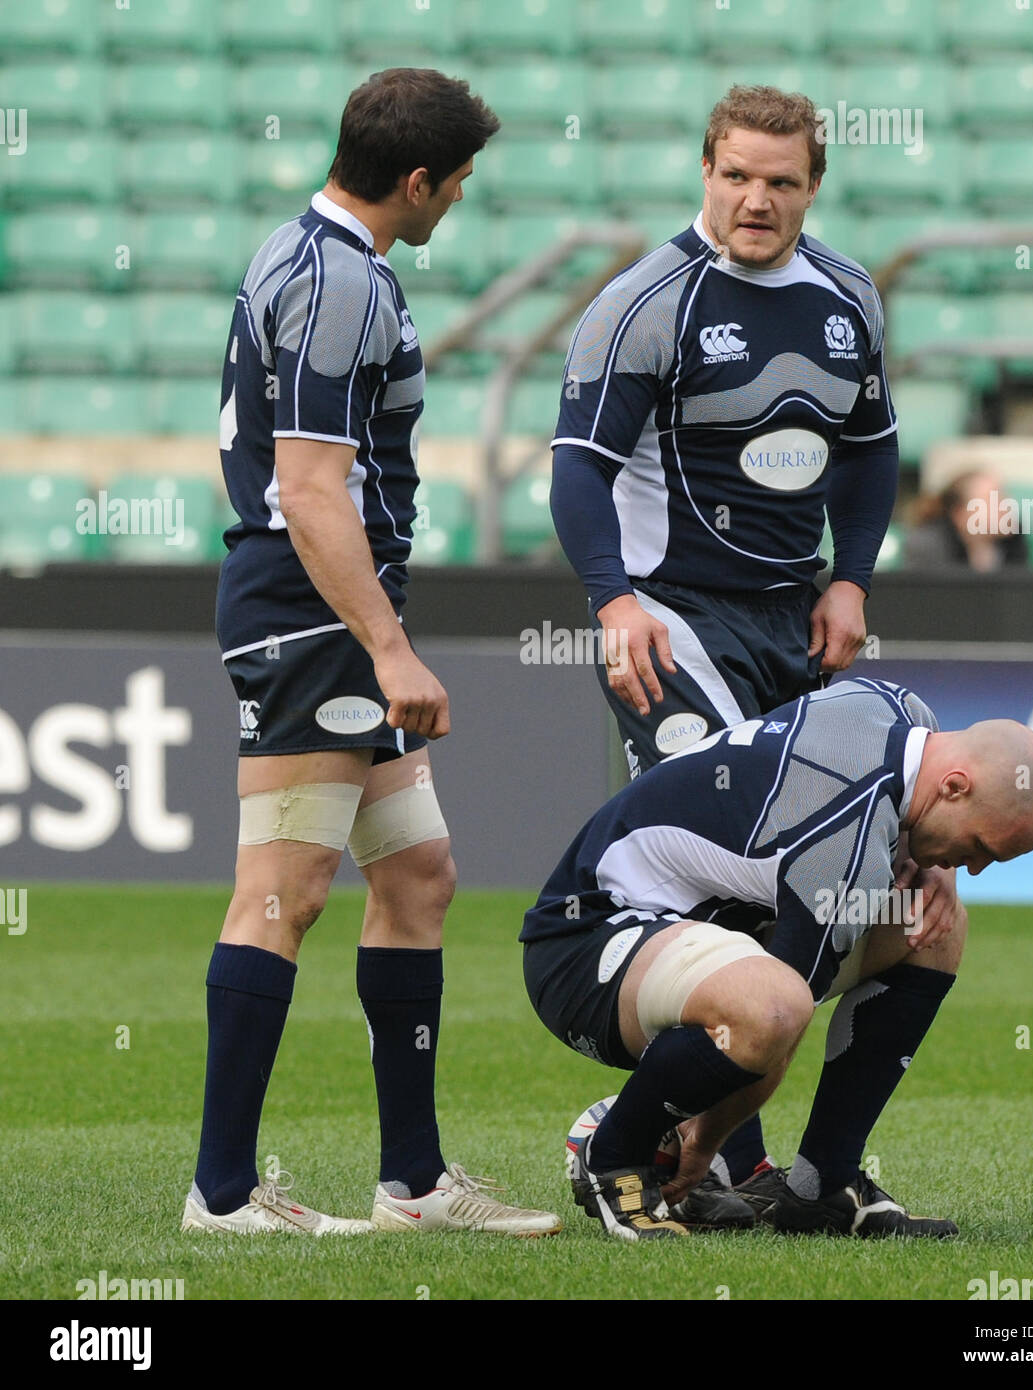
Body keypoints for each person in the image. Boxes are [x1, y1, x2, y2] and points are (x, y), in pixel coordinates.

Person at [183, 69, 559, 1237]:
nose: (456, 199)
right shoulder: (343, 280)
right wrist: (388, 648)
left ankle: (413, 1183)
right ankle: (225, 1193)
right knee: (282, 896)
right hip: (317, 621)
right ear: (415, 180)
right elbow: (307, 488)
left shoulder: (296, 251)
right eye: (454, 182)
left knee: (416, 876)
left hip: (324, 614)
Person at [548, 83, 936, 1215]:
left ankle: (810, 1174)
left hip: (790, 622)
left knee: (868, 886)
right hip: (670, 622)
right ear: (704, 171)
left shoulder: (846, 293)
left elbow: (868, 451)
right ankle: (695, 1146)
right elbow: (577, 466)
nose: (754, 199)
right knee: (737, 860)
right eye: (735, 175)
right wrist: (613, 602)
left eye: (779, 181)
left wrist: (851, 574)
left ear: (813, 186)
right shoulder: (642, 302)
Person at [520, 678, 1033, 1240]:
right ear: (952, 786)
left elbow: (908, 791)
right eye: (978, 849)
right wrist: (705, 1147)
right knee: (774, 1007)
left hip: (689, 929)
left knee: (929, 926)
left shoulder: (896, 705)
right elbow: (780, 1025)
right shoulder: (844, 852)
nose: (972, 868)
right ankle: (612, 1153)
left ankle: (821, 1186)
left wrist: (937, 866)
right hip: (583, 946)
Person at [904, 469, 1030, 571]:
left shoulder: (1014, 543)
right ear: (959, 513)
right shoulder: (928, 546)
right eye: (991, 500)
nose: (1005, 506)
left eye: (1003, 497)